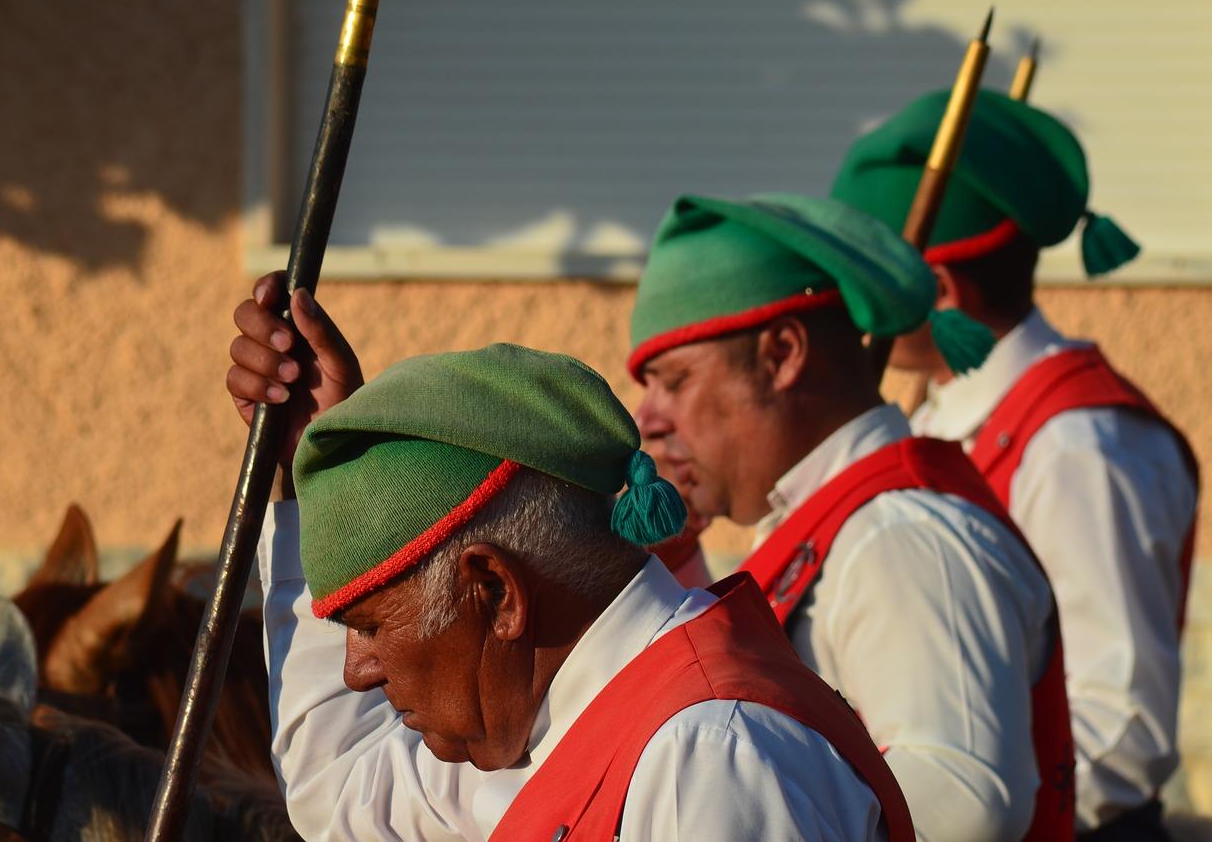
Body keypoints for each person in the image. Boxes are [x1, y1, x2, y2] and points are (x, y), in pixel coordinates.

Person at [227, 274, 913, 841]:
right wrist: (319, 481)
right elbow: (343, 788)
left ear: (497, 592)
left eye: (371, 626)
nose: (356, 671)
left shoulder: (702, 757)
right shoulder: (557, 726)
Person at [628, 192, 1073, 841]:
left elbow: (967, 802)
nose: (648, 419)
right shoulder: (838, 523)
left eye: (674, 381)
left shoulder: (898, 535)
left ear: (782, 354)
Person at [832, 88, 1199, 841]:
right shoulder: (944, 413)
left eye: (861, 282)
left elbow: (1119, 733)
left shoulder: (1076, 447)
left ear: (938, 292)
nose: (845, 308)